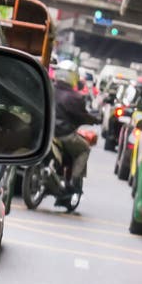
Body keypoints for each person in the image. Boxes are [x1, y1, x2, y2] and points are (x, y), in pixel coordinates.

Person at [53, 67, 98, 198]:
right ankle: (74, 181)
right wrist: (95, 120)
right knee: (85, 149)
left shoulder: (48, 88)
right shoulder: (74, 97)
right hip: (64, 135)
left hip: (46, 132)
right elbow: (82, 116)